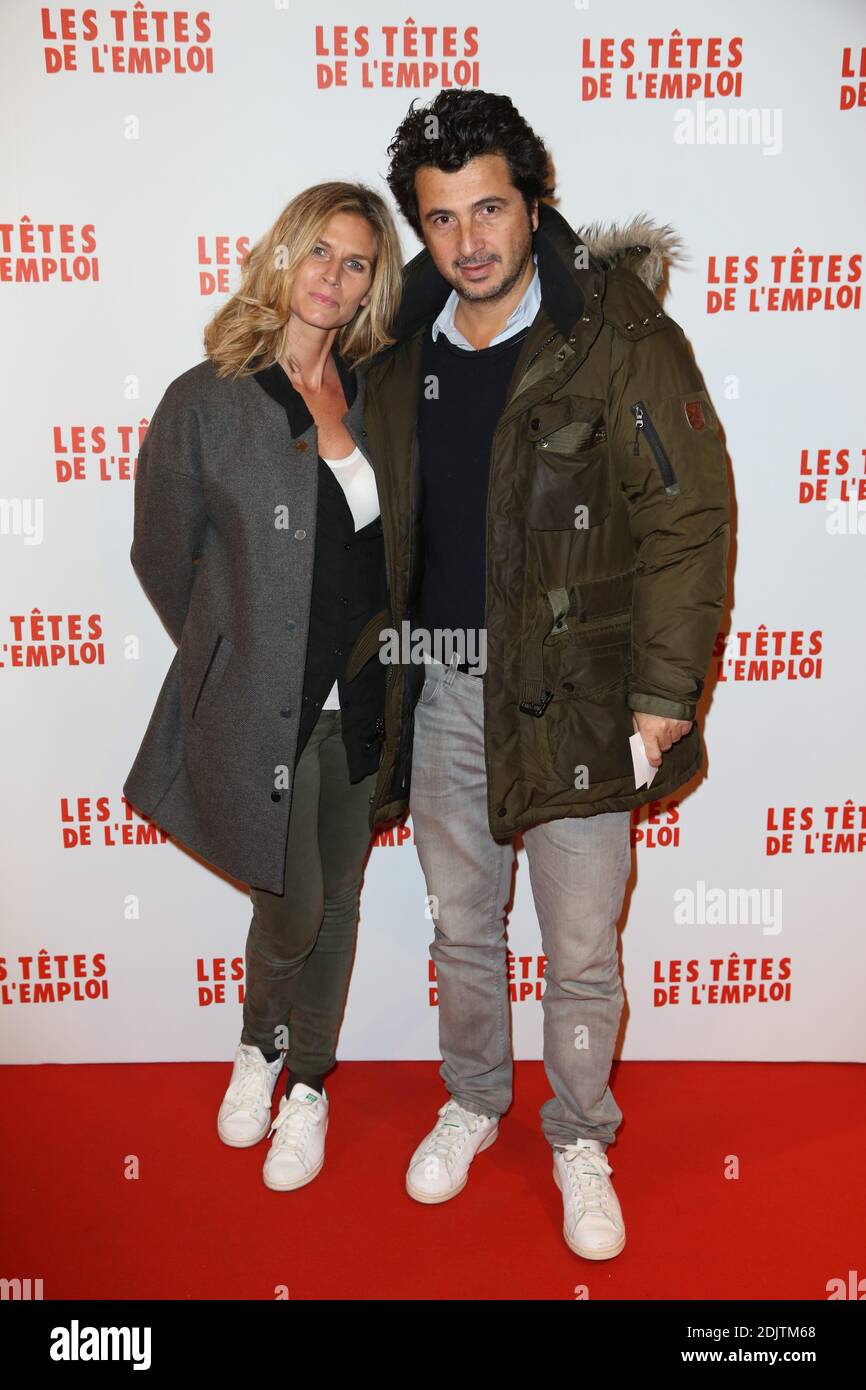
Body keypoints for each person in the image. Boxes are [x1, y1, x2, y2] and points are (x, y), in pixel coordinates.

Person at [361, 90, 731, 1258]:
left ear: (533, 203)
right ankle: (473, 1099)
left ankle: (579, 1133)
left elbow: (686, 516)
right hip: (444, 689)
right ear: (418, 229)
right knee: (461, 929)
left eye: (488, 209)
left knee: (578, 947)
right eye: (441, 218)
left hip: (580, 694)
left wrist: (664, 693)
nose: (468, 240)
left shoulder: (614, 333)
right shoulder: (392, 343)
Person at [123, 182, 403, 1191]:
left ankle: (313, 1085)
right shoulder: (207, 396)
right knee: (288, 906)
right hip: (262, 710)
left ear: (375, 283)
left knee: (338, 902)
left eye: (357, 261)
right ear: (282, 257)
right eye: (318, 251)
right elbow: (164, 555)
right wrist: (237, 652)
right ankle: (259, 1045)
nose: (334, 275)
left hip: (362, 701)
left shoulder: (375, 390)